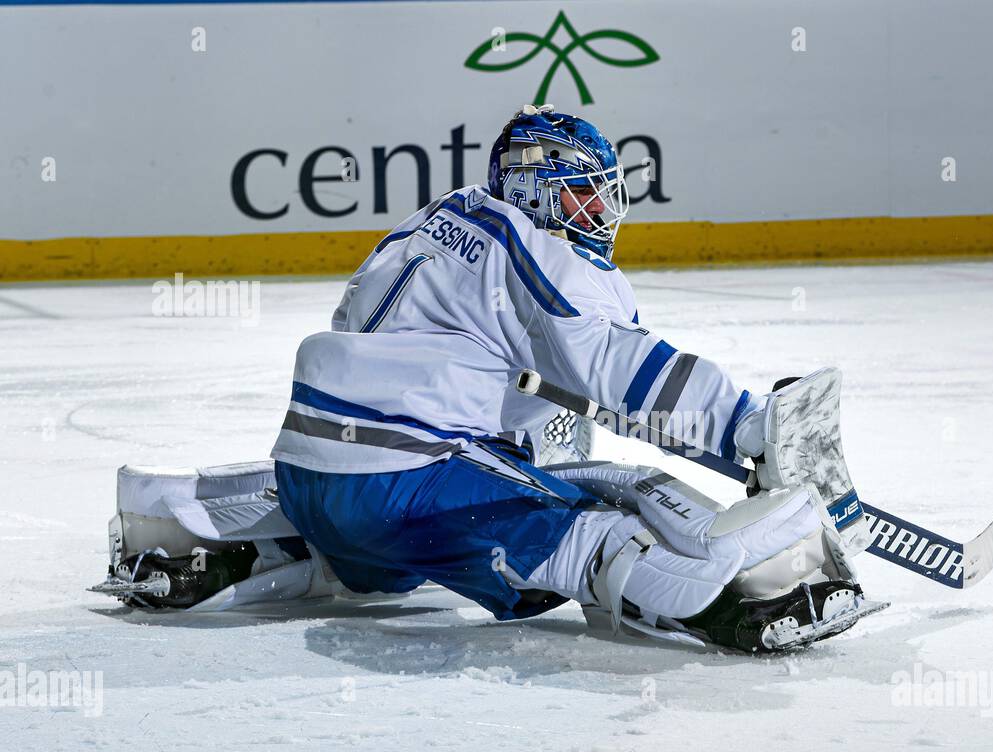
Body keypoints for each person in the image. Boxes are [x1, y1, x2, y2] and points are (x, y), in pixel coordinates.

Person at [257, 104, 869, 652]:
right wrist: (743, 425)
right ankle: (743, 599)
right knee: (590, 530)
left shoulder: (436, 219)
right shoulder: (530, 245)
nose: (601, 210)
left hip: (308, 472)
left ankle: (292, 552)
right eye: (583, 194)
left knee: (438, 540)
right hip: (409, 471)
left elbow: (380, 329)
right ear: (534, 192)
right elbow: (614, 362)